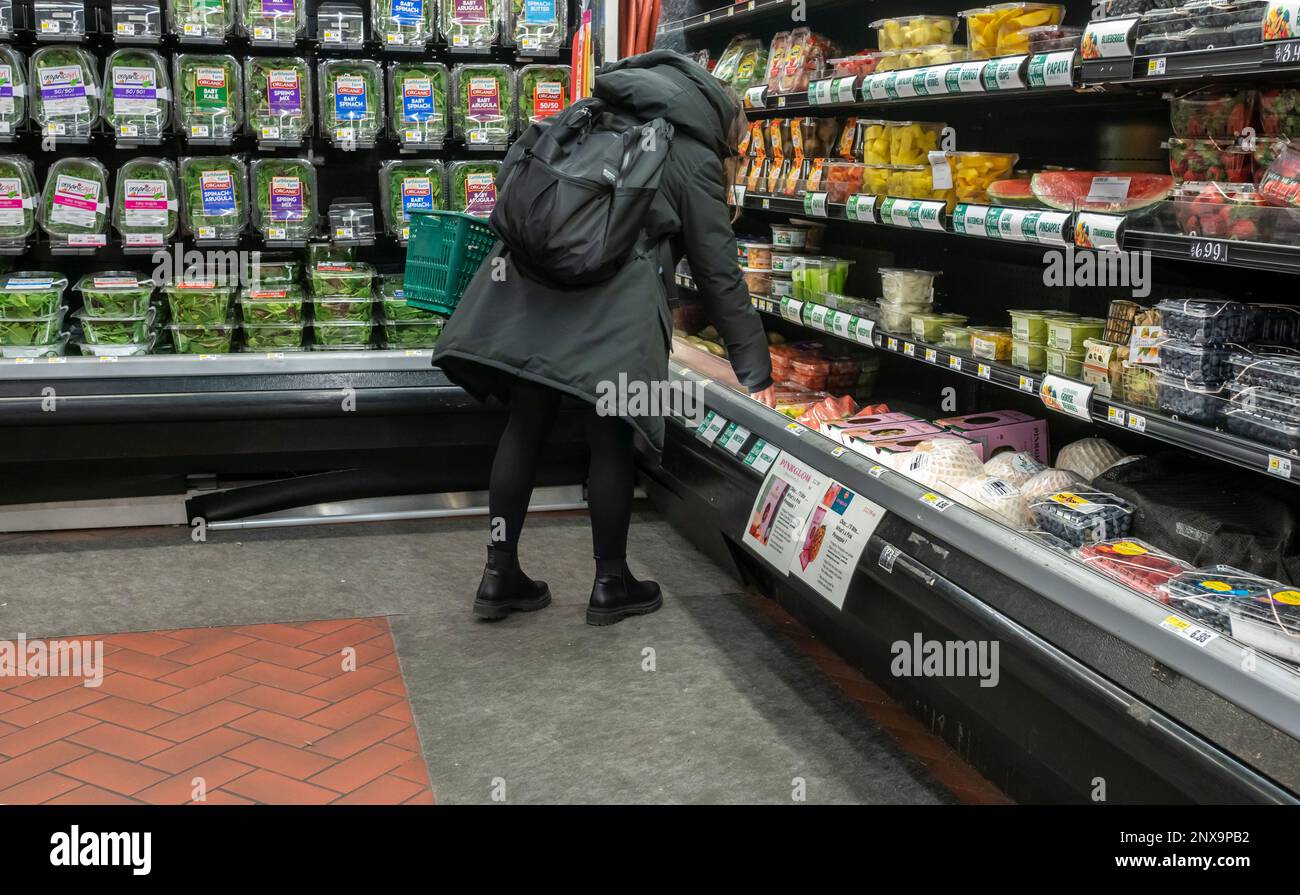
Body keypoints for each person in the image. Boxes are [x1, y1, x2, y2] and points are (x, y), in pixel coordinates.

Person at [432, 49, 775, 627]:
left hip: (530, 292)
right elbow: (719, 273)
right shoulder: (688, 151)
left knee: (526, 423)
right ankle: (611, 583)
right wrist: (756, 372)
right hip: (612, 309)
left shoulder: (589, 110)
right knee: (610, 436)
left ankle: (498, 575)